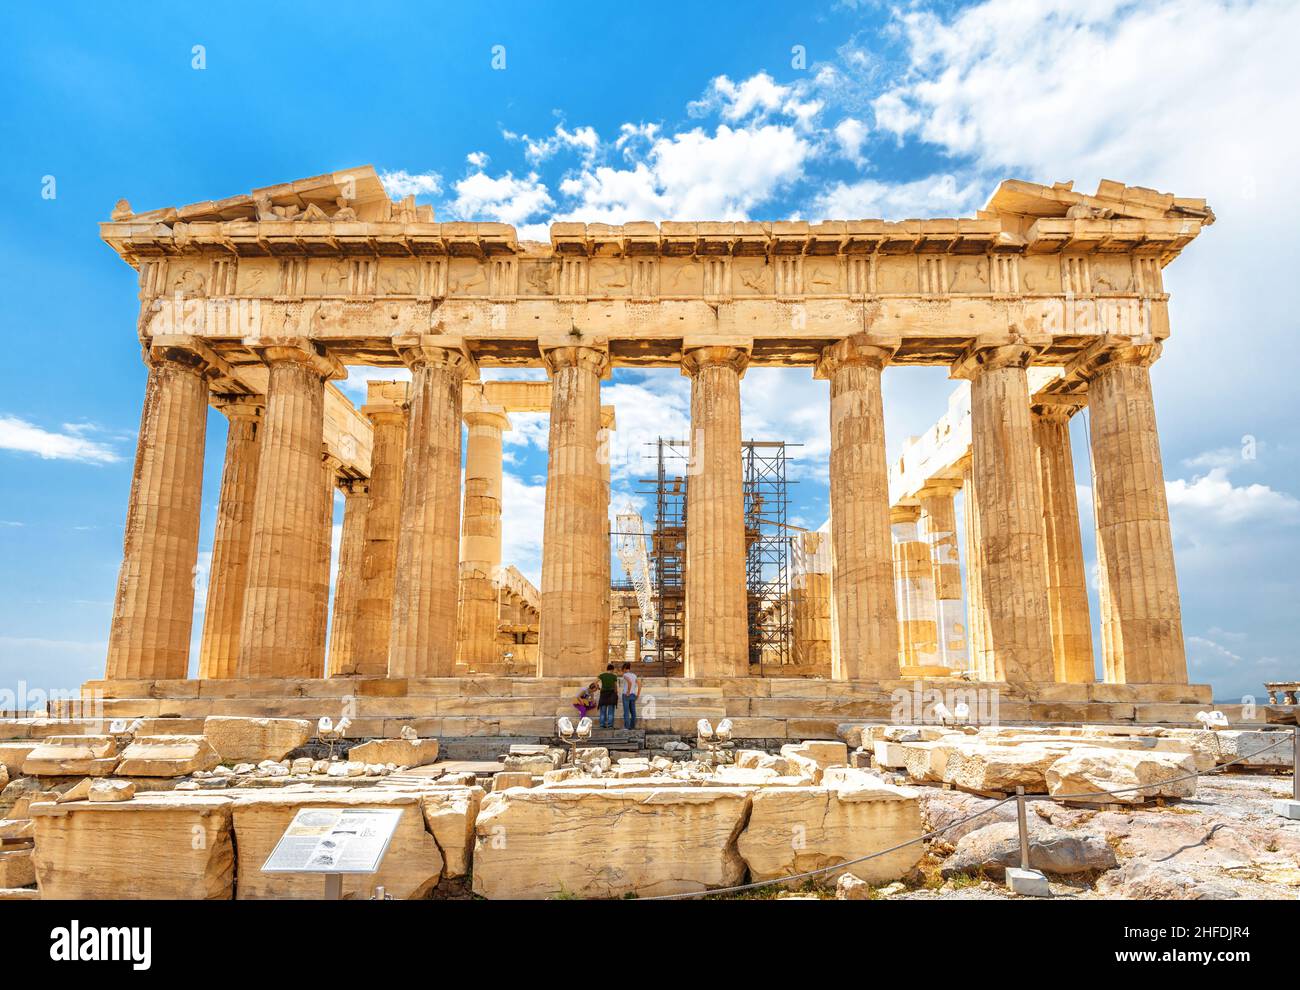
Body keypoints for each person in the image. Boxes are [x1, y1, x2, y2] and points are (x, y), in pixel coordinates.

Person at [596, 664, 619, 729]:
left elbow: (595, 682)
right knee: (611, 711)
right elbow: (615, 686)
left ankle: (602, 725)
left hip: (603, 694)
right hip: (611, 694)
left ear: (607, 669)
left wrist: (598, 688)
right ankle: (610, 725)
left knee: (603, 711)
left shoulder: (602, 675)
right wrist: (616, 693)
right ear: (612, 670)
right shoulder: (614, 676)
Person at [620, 662, 640, 730]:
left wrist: (628, 691)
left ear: (625, 668)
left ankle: (626, 727)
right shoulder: (634, 675)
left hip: (626, 695)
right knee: (633, 711)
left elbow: (629, 682)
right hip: (633, 694)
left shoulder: (625, 675)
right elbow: (640, 685)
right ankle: (632, 726)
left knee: (626, 711)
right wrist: (638, 694)